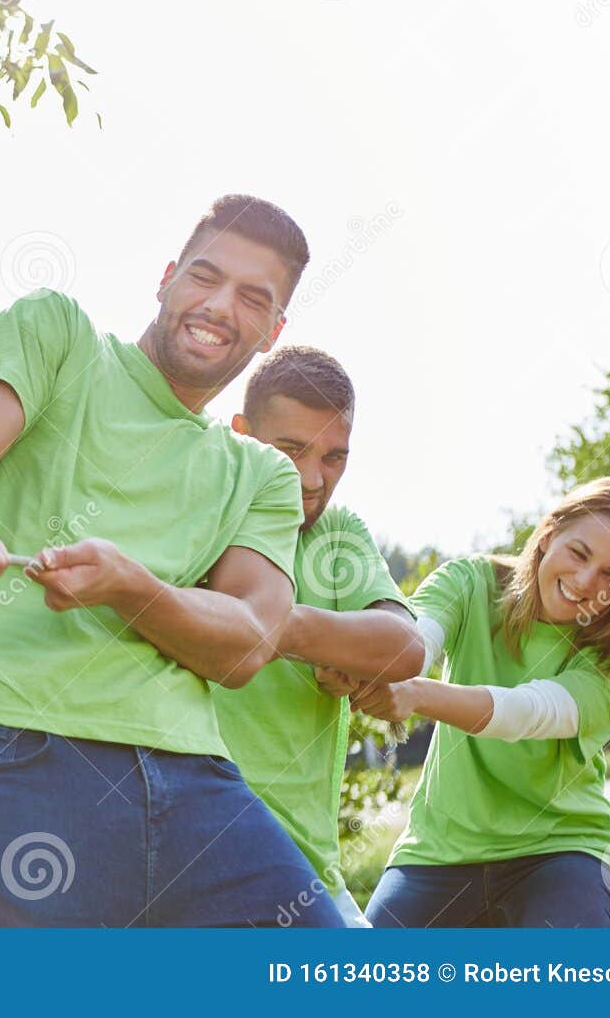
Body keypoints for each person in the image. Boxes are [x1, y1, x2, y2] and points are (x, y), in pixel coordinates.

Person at [0, 194, 352, 927]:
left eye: (251, 298)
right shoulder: (57, 336)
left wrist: (131, 588)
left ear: (273, 330)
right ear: (168, 277)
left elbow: (247, 641)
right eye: (205, 276)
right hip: (23, 751)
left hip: (199, 783)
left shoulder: (260, 472)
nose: (217, 306)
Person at [350, 478, 610, 927]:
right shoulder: (470, 583)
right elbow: (414, 640)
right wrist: (373, 664)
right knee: (365, 984)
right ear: (547, 537)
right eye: (579, 554)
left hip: (563, 849)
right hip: (440, 850)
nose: (586, 583)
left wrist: (417, 694)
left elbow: (530, 711)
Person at [211, 346, 422, 927]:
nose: (311, 478)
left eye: (334, 456)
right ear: (241, 432)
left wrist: (274, 628)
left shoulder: (337, 533)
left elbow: (403, 646)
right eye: (290, 451)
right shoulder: (201, 510)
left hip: (305, 866)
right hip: (190, 853)